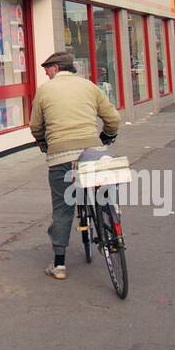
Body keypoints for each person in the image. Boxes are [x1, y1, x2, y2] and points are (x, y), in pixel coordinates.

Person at [29, 50, 121, 282]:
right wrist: (108, 136)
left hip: (61, 158)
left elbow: (36, 126)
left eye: (47, 68)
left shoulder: (44, 91)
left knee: (62, 209)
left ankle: (59, 264)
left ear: (57, 68)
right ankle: (113, 226)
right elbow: (113, 119)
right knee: (104, 193)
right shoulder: (90, 87)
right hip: (93, 153)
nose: (46, 73)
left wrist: (43, 142)